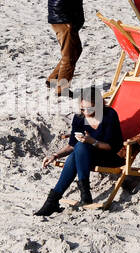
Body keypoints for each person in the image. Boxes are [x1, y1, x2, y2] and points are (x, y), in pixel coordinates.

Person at [35, 86, 122, 215]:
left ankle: (55, 200)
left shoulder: (109, 115)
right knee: (77, 150)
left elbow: (114, 146)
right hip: (85, 158)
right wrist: (55, 155)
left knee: (80, 148)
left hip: (109, 157)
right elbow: (71, 145)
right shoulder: (79, 118)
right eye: (82, 108)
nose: (86, 111)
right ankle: (71, 196)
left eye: (90, 108)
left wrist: (92, 141)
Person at [46, 0, 91, 95]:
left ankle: (53, 80)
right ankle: (62, 89)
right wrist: (69, 23)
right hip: (63, 22)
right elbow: (58, 4)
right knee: (69, 56)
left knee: (76, 49)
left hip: (64, 21)